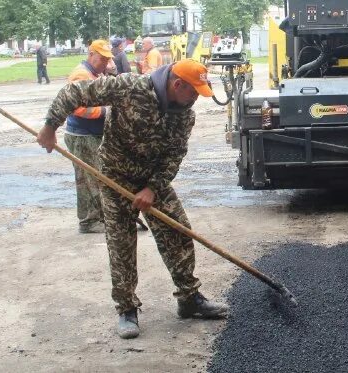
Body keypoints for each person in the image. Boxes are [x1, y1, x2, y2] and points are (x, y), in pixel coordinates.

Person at [36, 59, 228, 339]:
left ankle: (189, 299)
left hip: (153, 180)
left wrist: (153, 188)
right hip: (117, 178)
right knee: (121, 244)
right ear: (177, 85)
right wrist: (50, 126)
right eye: (194, 91)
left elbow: (174, 154)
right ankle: (127, 309)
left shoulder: (185, 115)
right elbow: (74, 93)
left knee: (178, 232)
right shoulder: (130, 87)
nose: (196, 98)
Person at [64, 40, 113, 233]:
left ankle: (99, 217)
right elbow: (77, 108)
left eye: (107, 59)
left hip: (92, 134)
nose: (105, 63)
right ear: (91, 54)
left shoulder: (96, 74)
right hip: (82, 136)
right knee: (87, 179)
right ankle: (88, 221)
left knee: (97, 177)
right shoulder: (81, 75)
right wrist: (105, 111)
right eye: (102, 59)